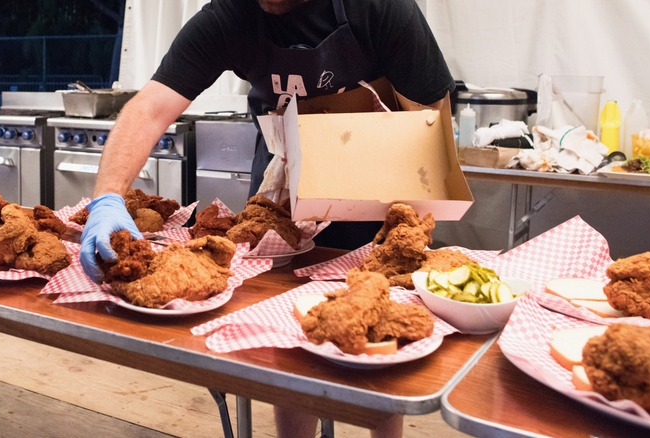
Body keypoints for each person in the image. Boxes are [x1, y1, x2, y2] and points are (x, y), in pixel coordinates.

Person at [79, 0, 453, 436]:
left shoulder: (379, 8)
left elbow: (429, 126)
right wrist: (106, 198)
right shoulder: (228, 16)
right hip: (283, 195)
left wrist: (406, 224)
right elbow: (149, 108)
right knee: (287, 343)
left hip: (378, 191)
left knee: (380, 346)